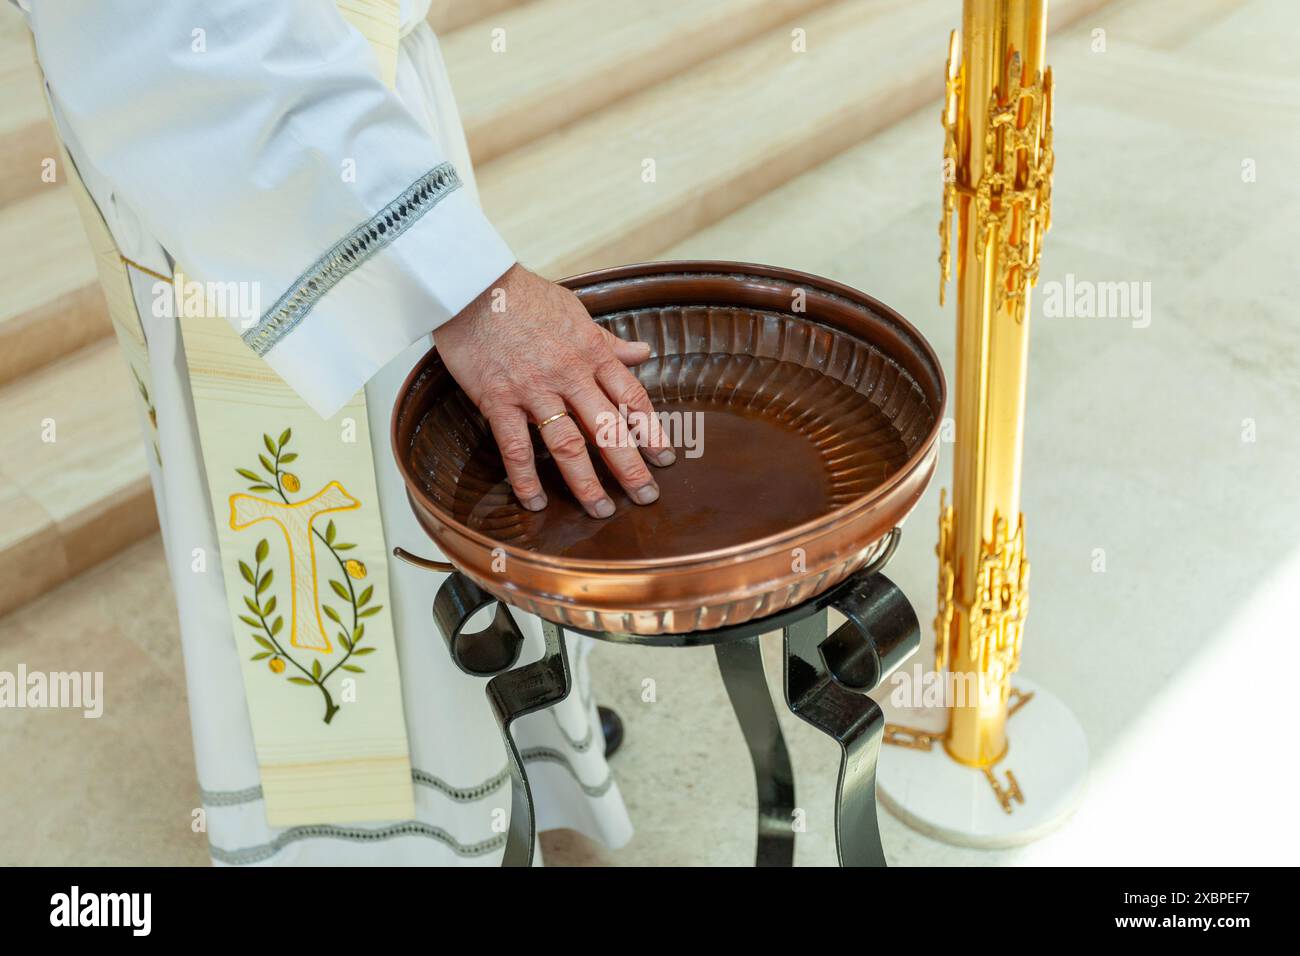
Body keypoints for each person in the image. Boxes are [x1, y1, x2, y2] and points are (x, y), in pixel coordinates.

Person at [16, 0, 672, 865]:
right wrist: (465, 285)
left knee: (444, 484)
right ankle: (383, 842)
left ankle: (501, 755)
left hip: (362, 85)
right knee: (352, 525)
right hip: (253, 149)